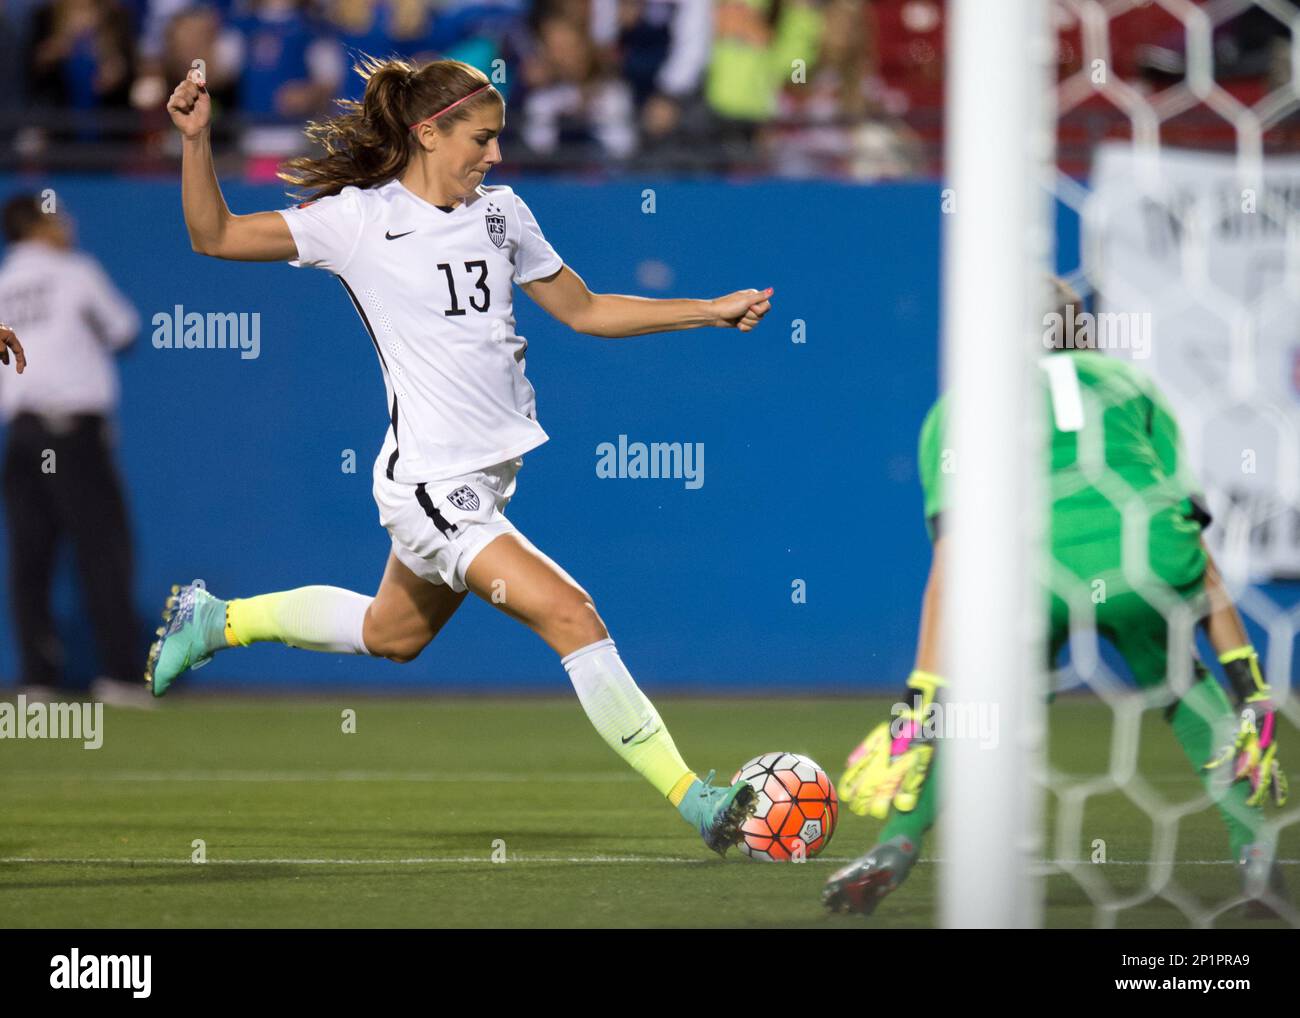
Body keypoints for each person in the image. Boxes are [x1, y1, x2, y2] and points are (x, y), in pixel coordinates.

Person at [152, 55, 775, 855]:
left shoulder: (503, 215)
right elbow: (215, 236)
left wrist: (707, 311)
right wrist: (197, 140)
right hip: (431, 486)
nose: (494, 156)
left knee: (391, 636)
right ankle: (698, 800)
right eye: (481, 139)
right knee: (571, 614)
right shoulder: (359, 221)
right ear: (428, 132)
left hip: (482, 481)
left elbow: (583, 311)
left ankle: (216, 621)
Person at [823, 278, 1290, 917]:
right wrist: (1251, 688)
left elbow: (951, 564)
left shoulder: (963, 406)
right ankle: (1256, 859)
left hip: (1035, 567)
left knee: (985, 713)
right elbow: (1188, 541)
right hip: (1146, 557)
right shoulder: (1134, 386)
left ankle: (895, 845)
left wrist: (923, 695)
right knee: (1183, 688)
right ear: (1080, 328)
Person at [0, 194, 147, 707]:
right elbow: (124, 329)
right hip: (72, 435)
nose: (67, 221)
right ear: (37, 227)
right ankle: (121, 678)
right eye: (56, 216)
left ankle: (38, 682)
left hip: (20, 437)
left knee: (30, 558)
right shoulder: (74, 272)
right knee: (103, 551)